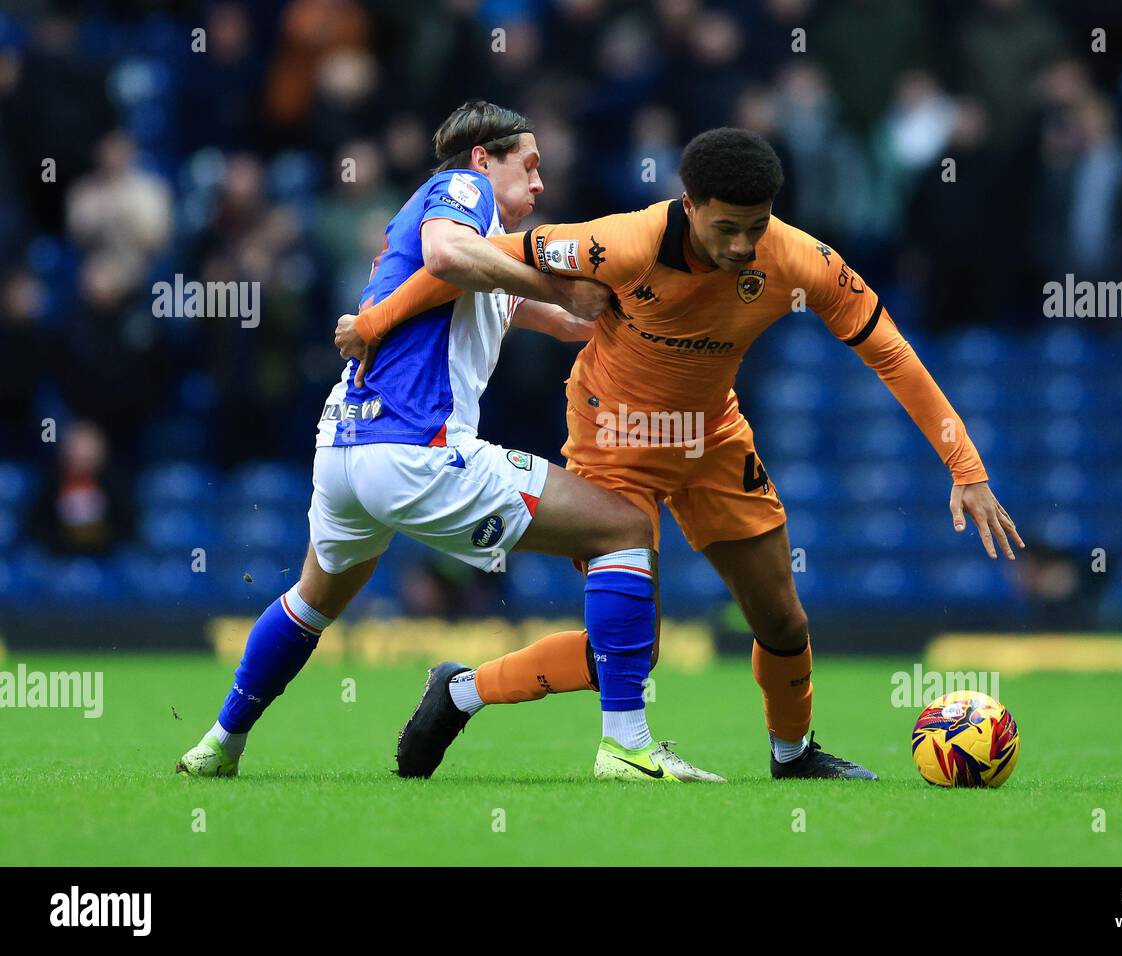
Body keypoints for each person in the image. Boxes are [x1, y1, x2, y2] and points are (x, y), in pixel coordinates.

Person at [336, 127, 1025, 780]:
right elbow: (465, 263)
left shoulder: (800, 259)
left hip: (713, 438)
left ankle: (793, 754)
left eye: (756, 226)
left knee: (781, 617)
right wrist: (374, 321)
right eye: (727, 227)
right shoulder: (619, 243)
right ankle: (464, 690)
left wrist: (966, 468)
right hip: (617, 438)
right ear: (689, 204)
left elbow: (890, 352)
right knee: (635, 652)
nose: (744, 245)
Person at [177, 100, 723, 784]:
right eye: (529, 166)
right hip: (416, 447)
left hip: (347, 445)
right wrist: (550, 286)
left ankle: (220, 743)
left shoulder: (475, 243)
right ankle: (627, 745)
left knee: (311, 600)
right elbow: (449, 255)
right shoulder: (457, 195)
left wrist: (625, 303)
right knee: (622, 528)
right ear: (482, 160)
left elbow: (556, 317)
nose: (540, 184)